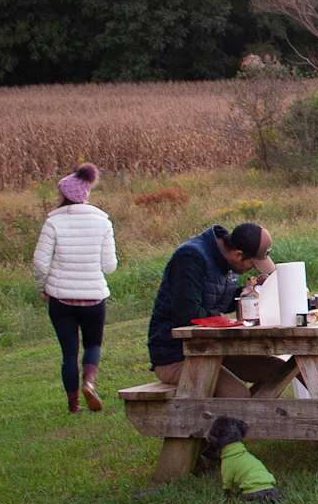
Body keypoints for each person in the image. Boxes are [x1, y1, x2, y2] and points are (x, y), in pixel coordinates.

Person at [147, 221, 297, 398]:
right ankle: (240, 421)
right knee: (237, 394)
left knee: (280, 371)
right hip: (177, 355)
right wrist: (224, 321)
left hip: (214, 350)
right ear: (238, 254)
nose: (252, 269)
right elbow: (189, 315)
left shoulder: (225, 260)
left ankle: (254, 417)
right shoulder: (190, 258)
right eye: (252, 264)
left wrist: (246, 294)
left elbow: (218, 299)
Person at [32, 163, 118, 414]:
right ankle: (89, 382)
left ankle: (73, 405)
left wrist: (43, 287)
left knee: (68, 352)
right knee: (93, 345)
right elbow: (110, 266)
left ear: (64, 195)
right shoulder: (103, 222)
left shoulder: (53, 223)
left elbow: (39, 263)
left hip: (61, 298)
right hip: (94, 298)